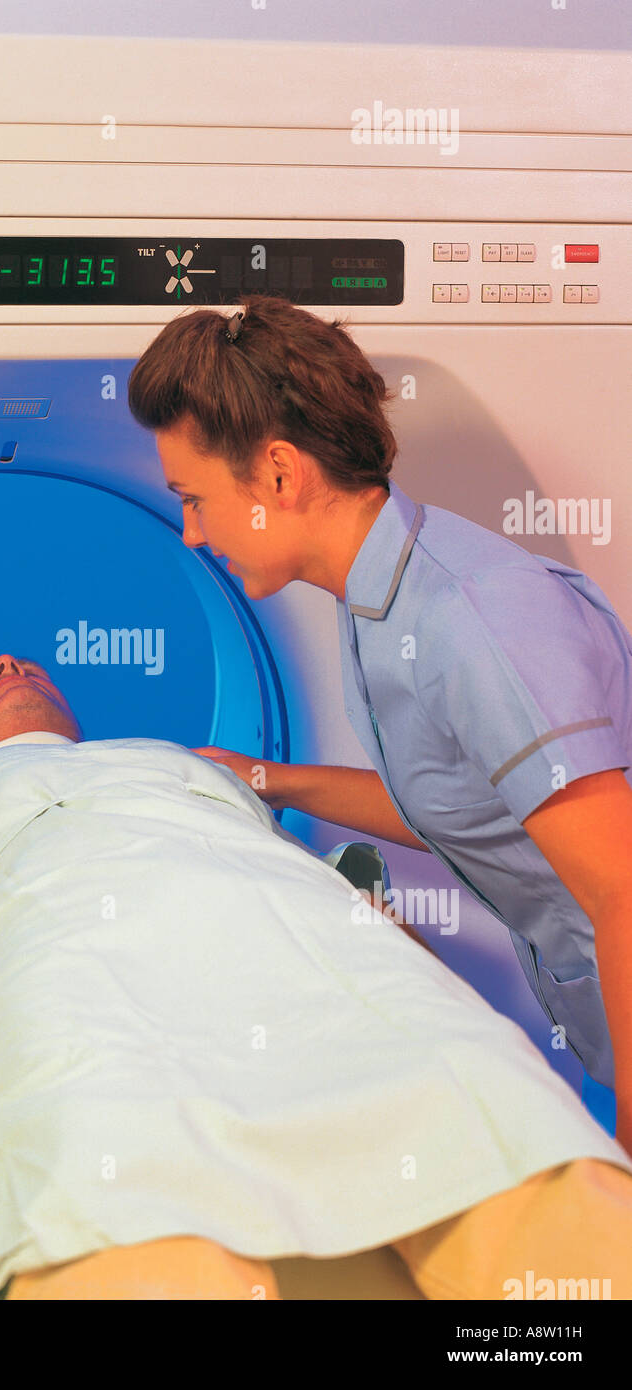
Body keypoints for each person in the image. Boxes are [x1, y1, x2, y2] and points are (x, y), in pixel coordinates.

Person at [0, 651, 632, 1301]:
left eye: (18, 662)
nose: (8, 664)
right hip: (79, 985)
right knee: (123, 1210)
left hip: (315, 962)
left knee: (501, 1135)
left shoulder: (175, 763)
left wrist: (412, 964)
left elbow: (317, 877)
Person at [127, 293, 632, 1154]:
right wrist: (259, 777)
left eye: (195, 498)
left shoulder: (473, 618)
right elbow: (471, 805)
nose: (189, 532)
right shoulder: (375, 604)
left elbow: (621, 891)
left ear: (279, 475)